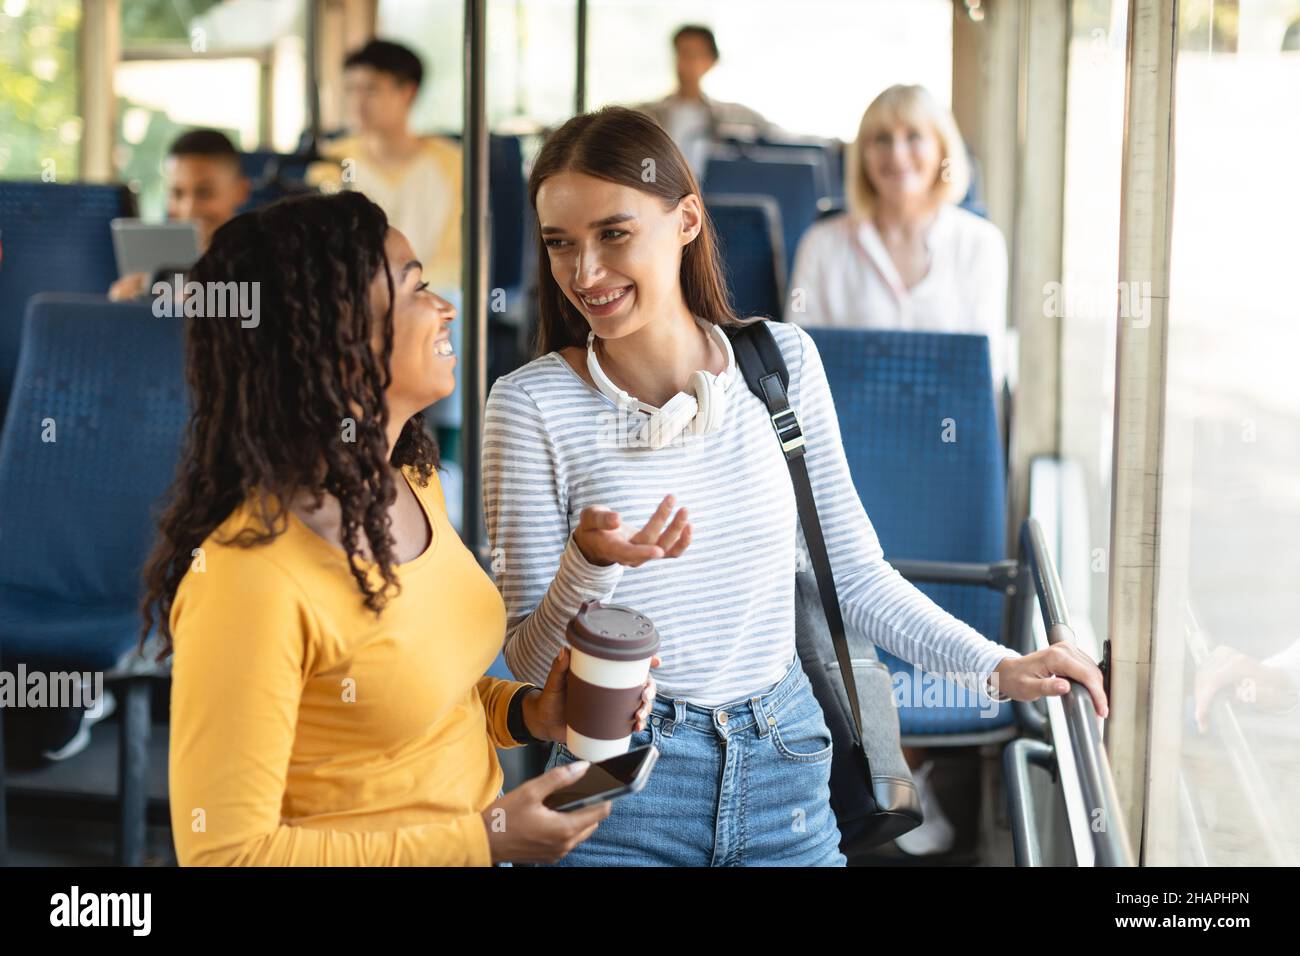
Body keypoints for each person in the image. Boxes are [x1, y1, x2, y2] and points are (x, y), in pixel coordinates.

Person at [482, 106, 1108, 867]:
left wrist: (999, 665)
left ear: (685, 221)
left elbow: (854, 575)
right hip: (619, 780)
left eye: (614, 235)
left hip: (785, 764)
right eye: (560, 245)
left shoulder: (781, 368)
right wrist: (590, 563)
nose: (585, 274)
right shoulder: (528, 406)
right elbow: (523, 657)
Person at [142, 192, 656, 866]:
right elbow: (227, 855)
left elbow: (416, 706)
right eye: (415, 287)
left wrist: (527, 714)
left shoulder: (408, 480)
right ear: (339, 333)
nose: (445, 307)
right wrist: (484, 838)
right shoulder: (248, 581)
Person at [784, 84, 1010, 389]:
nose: (897, 153)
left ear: (942, 149)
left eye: (914, 136)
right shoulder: (821, 244)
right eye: (881, 139)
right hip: (845, 430)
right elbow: (796, 364)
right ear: (862, 155)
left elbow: (986, 372)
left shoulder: (981, 244)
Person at [309, 38, 465, 437]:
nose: (357, 102)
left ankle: (447, 445)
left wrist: (412, 291)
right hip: (360, 288)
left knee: (450, 304)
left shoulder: (453, 164)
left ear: (406, 92)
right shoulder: (328, 162)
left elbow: (460, 250)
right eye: (351, 90)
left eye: (370, 89)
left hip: (437, 282)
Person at [107, 129, 250, 301]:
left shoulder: (267, 265)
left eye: (204, 193)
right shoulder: (152, 274)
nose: (188, 210)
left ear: (241, 191)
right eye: (177, 193)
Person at [634, 24, 776, 175]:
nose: (684, 63)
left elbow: (779, 138)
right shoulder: (645, 115)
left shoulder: (738, 116)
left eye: (692, 55)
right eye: (680, 53)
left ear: (711, 61)